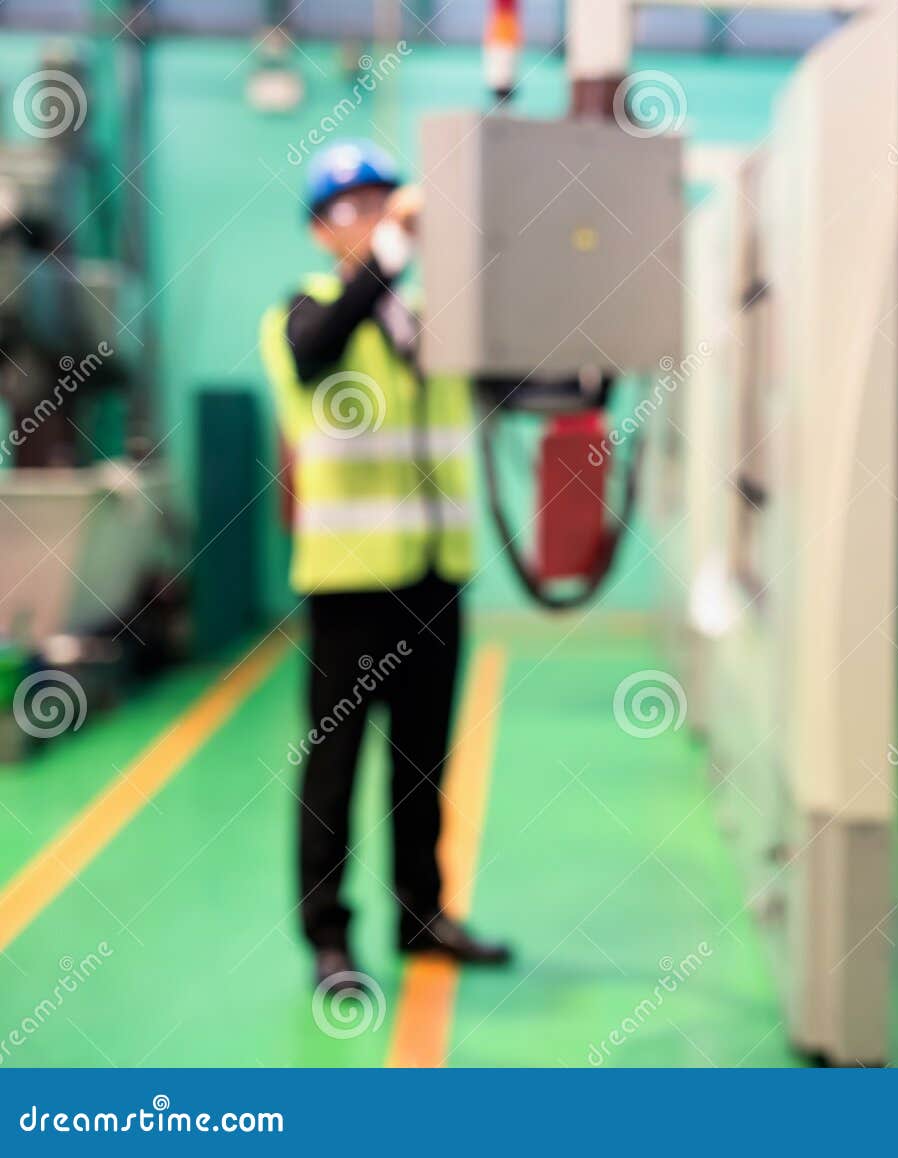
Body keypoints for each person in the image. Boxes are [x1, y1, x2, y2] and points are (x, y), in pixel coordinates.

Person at [259, 140, 511, 992]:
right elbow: (317, 348)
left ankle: (423, 916)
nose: (370, 221)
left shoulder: (431, 320)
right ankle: (328, 940)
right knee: (334, 766)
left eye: (384, 203)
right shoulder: (302, 312)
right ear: (318, 230)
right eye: (352, 209)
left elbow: (506, 384)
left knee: (423, 761)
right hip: (350, 582)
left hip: (435, 576)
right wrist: (391, 250)